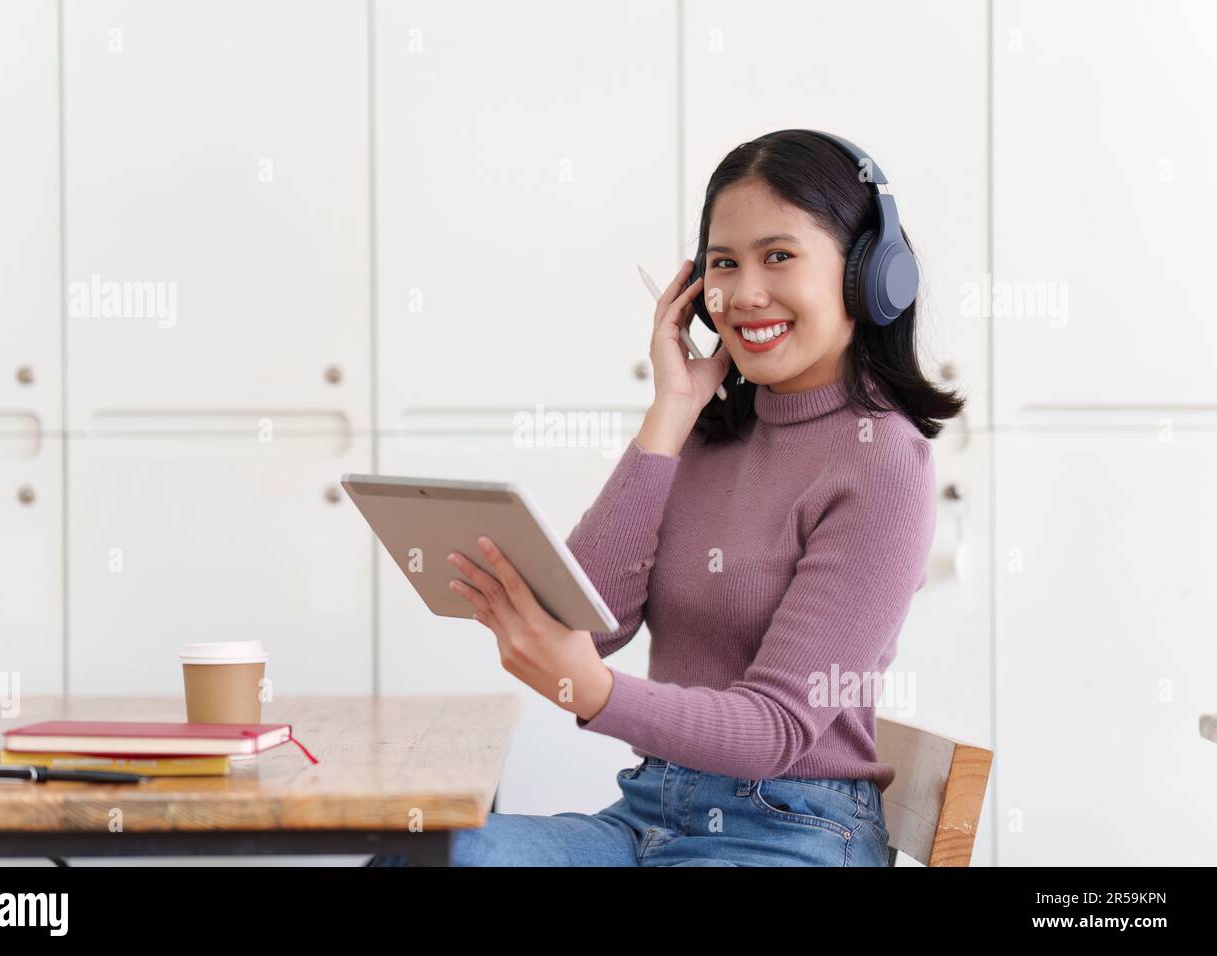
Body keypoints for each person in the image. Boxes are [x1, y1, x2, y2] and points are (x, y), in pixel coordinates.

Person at [373, 129, 964, 867]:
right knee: (429, 854)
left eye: (778, 256)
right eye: (724, 264)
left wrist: (595, 693)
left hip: (794, 831)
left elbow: (776, 727)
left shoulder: (883, 464)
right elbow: (589, 628)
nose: (744, 294)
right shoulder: (705, 437)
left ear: (868, 275)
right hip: (649, 813)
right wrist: (670, 416)